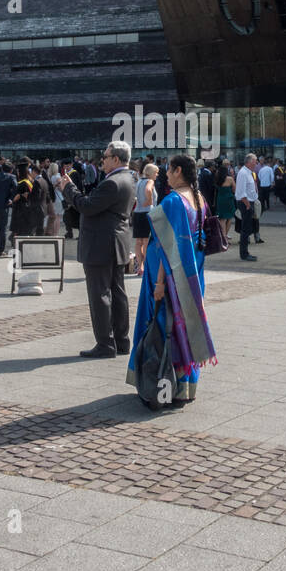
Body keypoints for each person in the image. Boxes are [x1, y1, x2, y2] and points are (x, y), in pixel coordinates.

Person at [130, 154, 218, 404]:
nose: (165, 175)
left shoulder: (172, 201)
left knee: (164, 326)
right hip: (192, 275)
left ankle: (162, 384)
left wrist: (159, 283)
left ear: (178, 171)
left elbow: (165, 246)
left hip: (168, 278)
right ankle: (185, 386)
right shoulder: (198, 198)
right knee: (187, 324)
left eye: (168, 170)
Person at [57, 141, 137, 358]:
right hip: (116, 242)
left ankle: (105, 344)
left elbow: (87, 206)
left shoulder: (113, 182)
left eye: (106, 156)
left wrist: (68, 188)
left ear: (116, 159)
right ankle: (121, 341)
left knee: (100, 293)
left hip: (101, 244)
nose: (102, 159)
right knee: (117, 292)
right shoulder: (129, 178)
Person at [133, 162, 158, 275]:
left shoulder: (139, 181)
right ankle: (147, 267)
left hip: (137, 213)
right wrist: (149, 201)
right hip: (147, 213)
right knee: (147, 242)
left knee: (139, 242)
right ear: (151, 173)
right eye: (156, 172)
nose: (157, 175)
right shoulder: (150, 181)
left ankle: (140, 267)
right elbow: (148, 190)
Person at [236, 153, 260, 259]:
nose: (256, 163)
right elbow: (241, 192)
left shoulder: (248, 172)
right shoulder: (243, 173)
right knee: (245, 229)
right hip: (245, 203)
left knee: (248, 228)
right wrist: (248, 205)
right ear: (249, 162)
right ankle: (244, 254)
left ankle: (245, 252)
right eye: (255, 161)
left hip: (249, 203)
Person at [216, 159, 237, 241]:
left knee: (222, 219)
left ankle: (223, 236)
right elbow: (235, 190)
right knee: (229, 217)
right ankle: (225, 235)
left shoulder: (217, 179)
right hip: (229, 199)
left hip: (220, 199)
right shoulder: (230, 179)